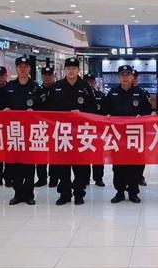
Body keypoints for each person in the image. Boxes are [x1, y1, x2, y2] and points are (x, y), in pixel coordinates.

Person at [44, 57, 98, 205]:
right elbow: (48, 109)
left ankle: (79, 193)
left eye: (74, 68)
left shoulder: (85, 87)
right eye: (68, 68)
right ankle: (65, 194)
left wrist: (81, 113)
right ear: (65, 70)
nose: (71, 71)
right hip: (62, 133)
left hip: (80, 133)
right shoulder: (57, 87)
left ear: (78, 70)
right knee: (62, 165)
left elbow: (93, 108)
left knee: (80, 166)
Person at [103, 65, 152, 203]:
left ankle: (133, 192)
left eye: (128, 75)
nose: (125, 77)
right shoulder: (112, 93)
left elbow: (148, 111)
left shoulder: (140, 93)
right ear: (119, 77)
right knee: (118, 165)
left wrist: (141, 116)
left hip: (135, 135)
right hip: (117, 135)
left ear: (132, 77)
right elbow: (105, 110)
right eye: (122, 75)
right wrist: (107, 115)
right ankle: (119, 192)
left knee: (135, 165)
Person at [5, 56, 40, 205]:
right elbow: (2, 105)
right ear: (16, 69)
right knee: (15, 164)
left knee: (29, 165)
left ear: (30, 69)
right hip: (14, 132)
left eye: (26, 67)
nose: (23, 69)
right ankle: (18, 194)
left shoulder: (36, 87)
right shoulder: (9, 87)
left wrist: (35, 112)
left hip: (30, 132)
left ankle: (29, 194)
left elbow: (43, 109)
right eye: (20, 66)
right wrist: (5, 110)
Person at [35, 66, 57, 188]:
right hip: (40, 127)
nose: (47, 77)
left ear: (53, 76)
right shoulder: (37, 90)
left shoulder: (58, 89)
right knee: (41, 153)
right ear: (42, 76)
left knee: (54, 153)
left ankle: (54, 178)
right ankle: (41, 178)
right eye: (45, 75)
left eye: (50, 75)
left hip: (55, 127)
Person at [84, 73, 107, 187]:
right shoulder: (80, 95)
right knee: (84, 153)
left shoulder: (101, 96)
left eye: (91, 81)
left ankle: (98, 178)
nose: (89, 84)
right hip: (84, 129)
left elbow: (106, 111)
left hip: (98, 129)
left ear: (94, 83)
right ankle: (85, 178)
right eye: (87, 82)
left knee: (98, 155)